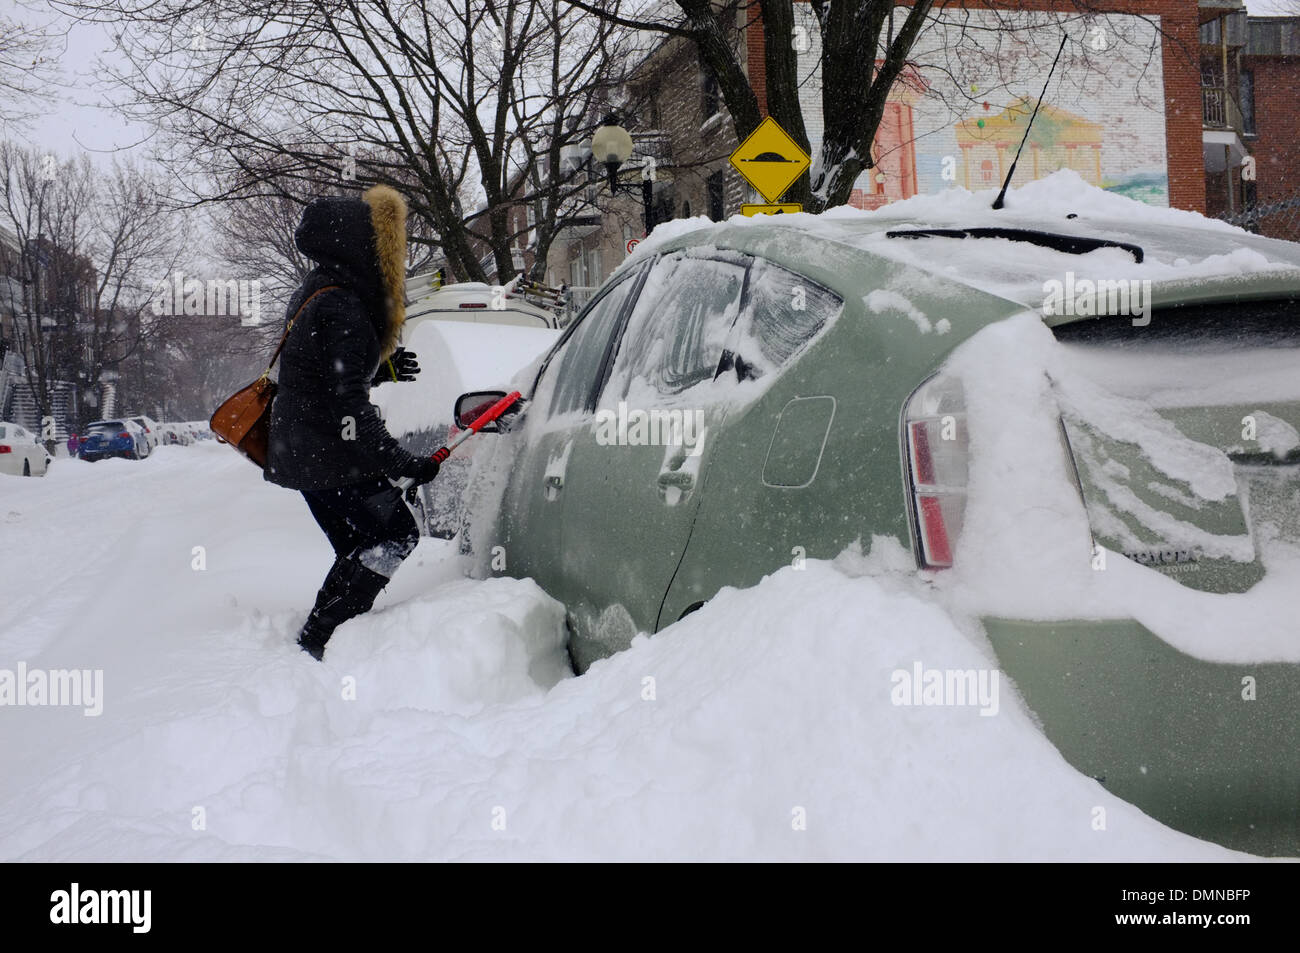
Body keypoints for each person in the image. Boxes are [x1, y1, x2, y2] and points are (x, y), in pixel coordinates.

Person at [265, 184, 440, 660]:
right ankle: (321, 638)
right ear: (357, 245)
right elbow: (351, 406)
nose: (388, 254)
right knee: (395, 535)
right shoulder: (341, 303)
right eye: (380, 243)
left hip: (305, 452)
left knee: (360, 545)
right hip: (327, 453)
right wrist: (401, 461)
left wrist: (379, 368)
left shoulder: (319, 289)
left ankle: (335, 640)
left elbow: (325, 374)